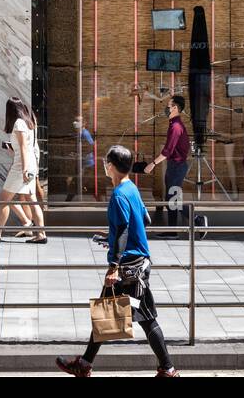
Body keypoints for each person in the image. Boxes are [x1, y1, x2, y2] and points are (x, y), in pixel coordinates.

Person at [56, 145, 178, 378]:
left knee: (143, 317)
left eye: (105, 162)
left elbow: (123, 228)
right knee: (109, 311)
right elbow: (144, 218)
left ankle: (168, 369)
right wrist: (111, 236)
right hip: (136, 263)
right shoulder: (131, 188)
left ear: (111, 166)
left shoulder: (119, 195)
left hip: (128, 268)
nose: (104, 165)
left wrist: (114, 265)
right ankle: (84, 363)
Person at [0, 96, 46, 243]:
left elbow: (22, 148)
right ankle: (41, 234)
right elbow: (26, 146)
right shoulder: (29, 122)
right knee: (32, 200)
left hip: (22, 167)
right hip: (29, 164)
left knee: (3, 201)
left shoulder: (19, 123)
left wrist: (24, 169)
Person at [143, 95, 190, 228]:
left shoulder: (176, 127)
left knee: (172, 199)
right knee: (171, 199)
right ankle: (172, 230)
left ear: (175, 108)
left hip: (177, 167)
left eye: (168, 106)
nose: (166, 109)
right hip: (174, 166)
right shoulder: (174, 125)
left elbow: (167, 151)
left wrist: (152, 164)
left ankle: (197, 219)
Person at [64, 114, 96, 202]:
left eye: (78, 121)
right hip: (82, 162)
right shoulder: (80, 133)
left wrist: (78, 155)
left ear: (84, 123)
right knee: (76, 181)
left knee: (75, 181)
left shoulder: (85, 134)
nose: (75, 122)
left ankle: (68, 200)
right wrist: (76, 154)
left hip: (86, 163)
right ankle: (71, 198)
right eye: (75, 120)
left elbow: (90, 147)